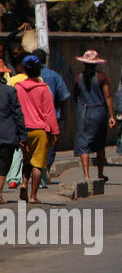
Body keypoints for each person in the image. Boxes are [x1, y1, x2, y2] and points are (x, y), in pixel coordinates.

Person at [15, 56, 58, 203]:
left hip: (23, 129)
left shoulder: (18, 87)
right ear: (39, 70)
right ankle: (33, 196)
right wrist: (55, 132)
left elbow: (16, 110)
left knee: (26, 160)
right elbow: (49, 112)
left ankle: (24, 183)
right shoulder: (43, 89)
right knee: (38, 164)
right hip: (40, 130)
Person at [72, 50, 114, 185]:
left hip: (83, 112)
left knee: (84, 144)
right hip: (99, 111)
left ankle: (86, 175)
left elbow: (75, 96)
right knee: (100, 144)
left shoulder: (78, 78)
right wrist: (111, 115)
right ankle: (100, 174)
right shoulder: (102, 77)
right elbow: (108, 97)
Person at [31, 49, 70, 185]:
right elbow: (63, 96)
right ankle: (44, 168)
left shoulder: (27, 77)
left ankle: (37, 171)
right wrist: (63, 113)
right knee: (50, 144)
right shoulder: (54, 76)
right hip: (52, 116)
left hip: (32, 117)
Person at [0, 73, 23, 202]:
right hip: (6, 135)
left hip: (6, 134)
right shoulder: (9, 91)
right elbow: (17, 114)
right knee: (3, 165)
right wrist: (23, 134)